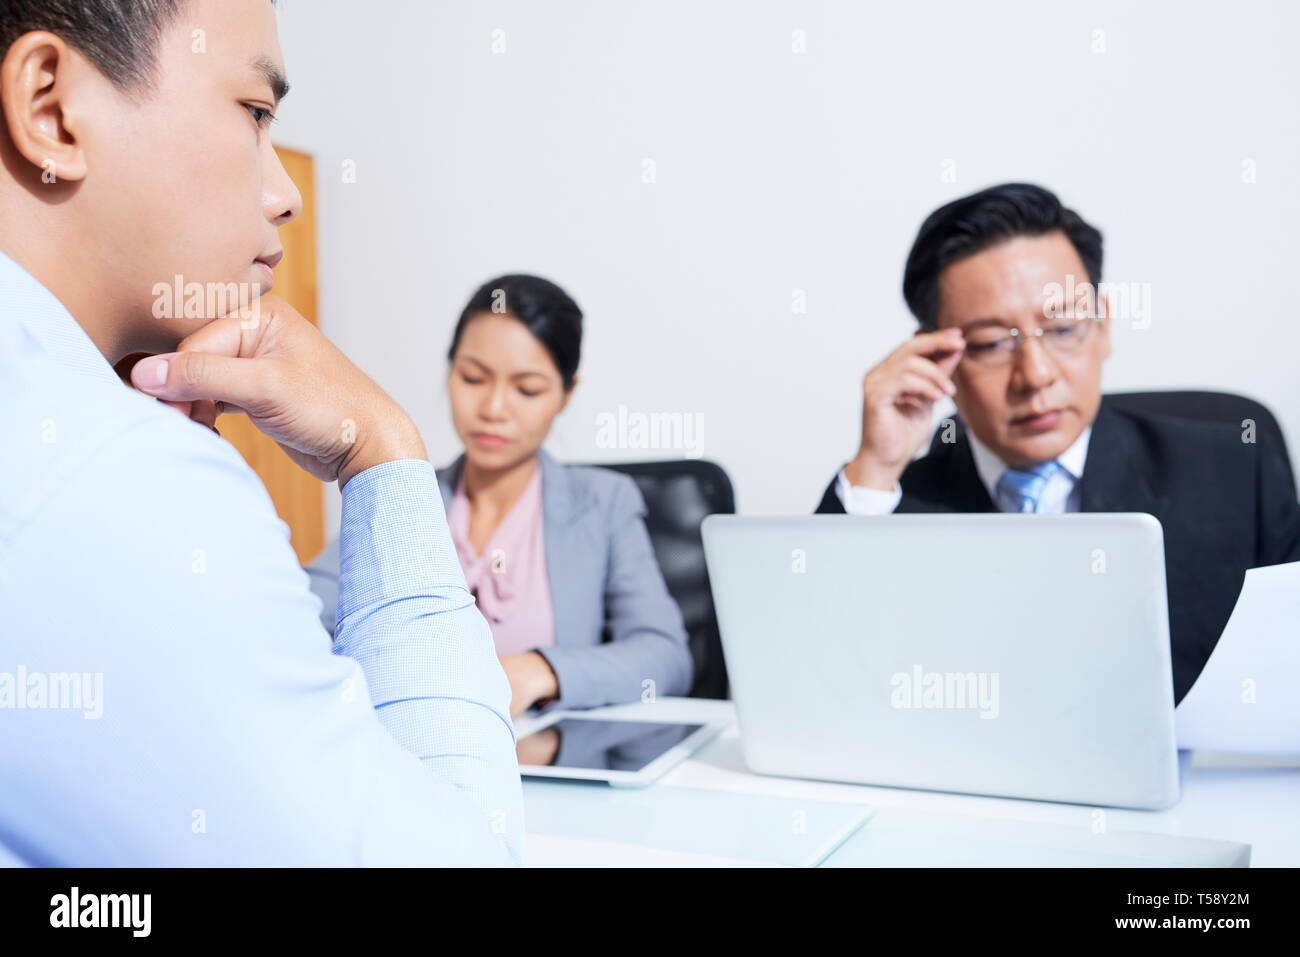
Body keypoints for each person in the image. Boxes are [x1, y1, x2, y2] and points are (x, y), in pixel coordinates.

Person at [0, 0, 521, 865]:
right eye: (254, 115)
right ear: (52, 108)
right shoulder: (119, 477)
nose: (284, 196)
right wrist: (382, 451)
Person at [815, 182, 1300, 704]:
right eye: (991, 344)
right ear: (936, 358)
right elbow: (812, 675)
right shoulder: (886, 511)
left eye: (1064, 328)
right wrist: (874, 468)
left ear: (1103, 326)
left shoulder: (1230, 473)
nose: (1036, 374)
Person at [306, 275, 694, 716]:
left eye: (527, 389)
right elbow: (301, 612)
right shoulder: (400, 493)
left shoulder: (604, 503)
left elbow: (666, 658)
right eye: (473, 378)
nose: (492, 409)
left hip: (542, 762)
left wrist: (538, 671)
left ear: (567, 394)